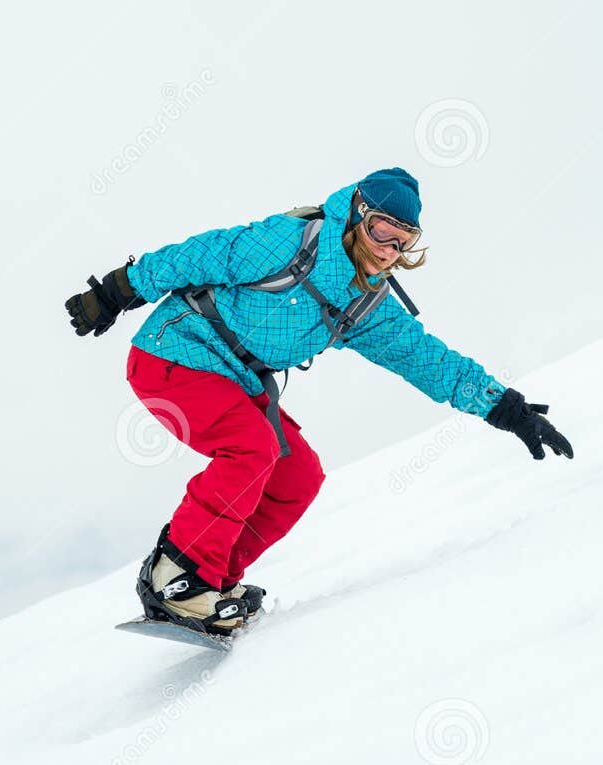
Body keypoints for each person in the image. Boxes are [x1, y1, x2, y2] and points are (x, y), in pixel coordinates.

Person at [65, 167, 572, 636]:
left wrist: (506, 409)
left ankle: (210, 582)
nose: (389, 249)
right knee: (251, 448)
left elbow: (426, 359)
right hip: (175, 353)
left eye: (404, 240)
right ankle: (176, 579)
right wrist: (118, 290)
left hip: (236, 378)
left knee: (298, 475)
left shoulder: (367, 304)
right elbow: (202, 254)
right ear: (355, 215)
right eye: (381, 230)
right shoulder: (292, 243)